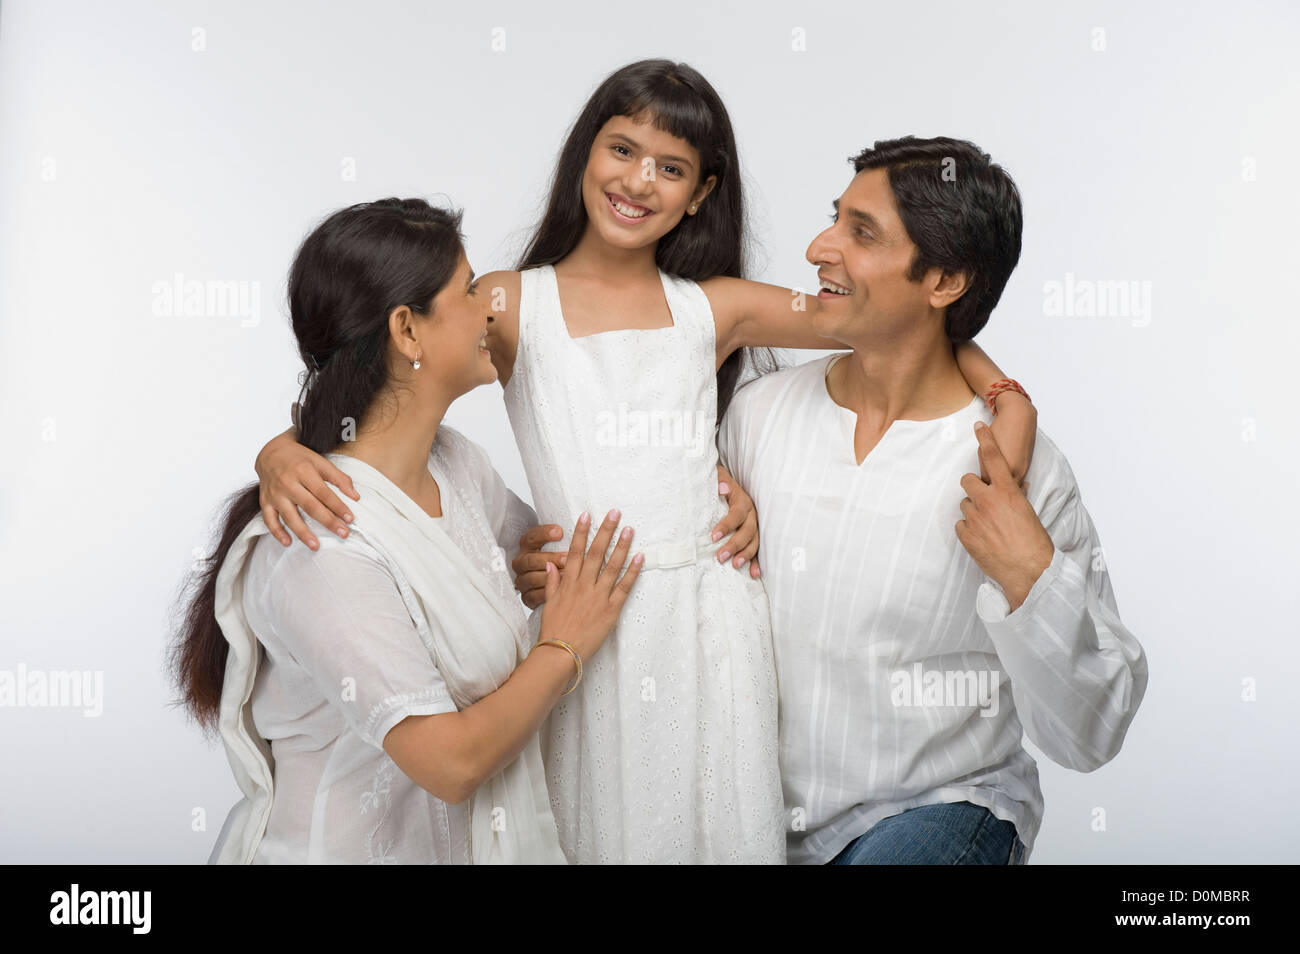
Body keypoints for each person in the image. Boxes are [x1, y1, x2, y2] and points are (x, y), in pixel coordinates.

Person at [252, 61, 1035, 864]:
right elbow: (371, 359)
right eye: (622, 150)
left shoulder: (716, 306)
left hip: (711, 618)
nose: (638, 181)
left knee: (713, 825)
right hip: (588, 624)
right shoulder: (507, 301)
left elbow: (882, 318)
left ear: (700, 193)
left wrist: (1005, 393)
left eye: (671, 168)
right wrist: (279, 452)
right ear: (585, 154)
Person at [714, 137, 1149, 864]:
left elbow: (1093, 732)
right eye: (835, 219)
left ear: (944, 279)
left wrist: (1030, 575)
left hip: (939, 811)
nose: (819, 247)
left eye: (861, 233)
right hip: (763, 824)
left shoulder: (1017, 468)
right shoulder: (757, 417)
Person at [168, 197, 643, 864]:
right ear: (408, 331)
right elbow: (449, 764)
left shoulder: (458, 468)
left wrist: (720, 485)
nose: (491, 308)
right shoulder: (321, 541)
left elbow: (544, 557)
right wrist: (564, 646)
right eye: (471, 289)